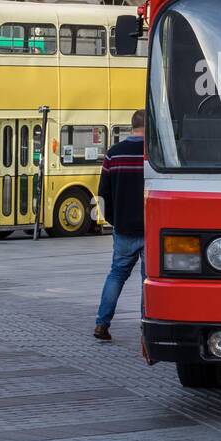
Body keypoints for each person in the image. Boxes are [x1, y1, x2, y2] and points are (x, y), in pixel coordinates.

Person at [93, 109, 146, 342]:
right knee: (149, 279)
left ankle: (102, 325)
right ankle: (147, 329)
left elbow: (102, 193)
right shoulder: (154, 155)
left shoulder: (114, 154)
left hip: (123, 228)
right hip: (151, 229)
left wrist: (113, 220)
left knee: (116, 275)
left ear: (131, 126)